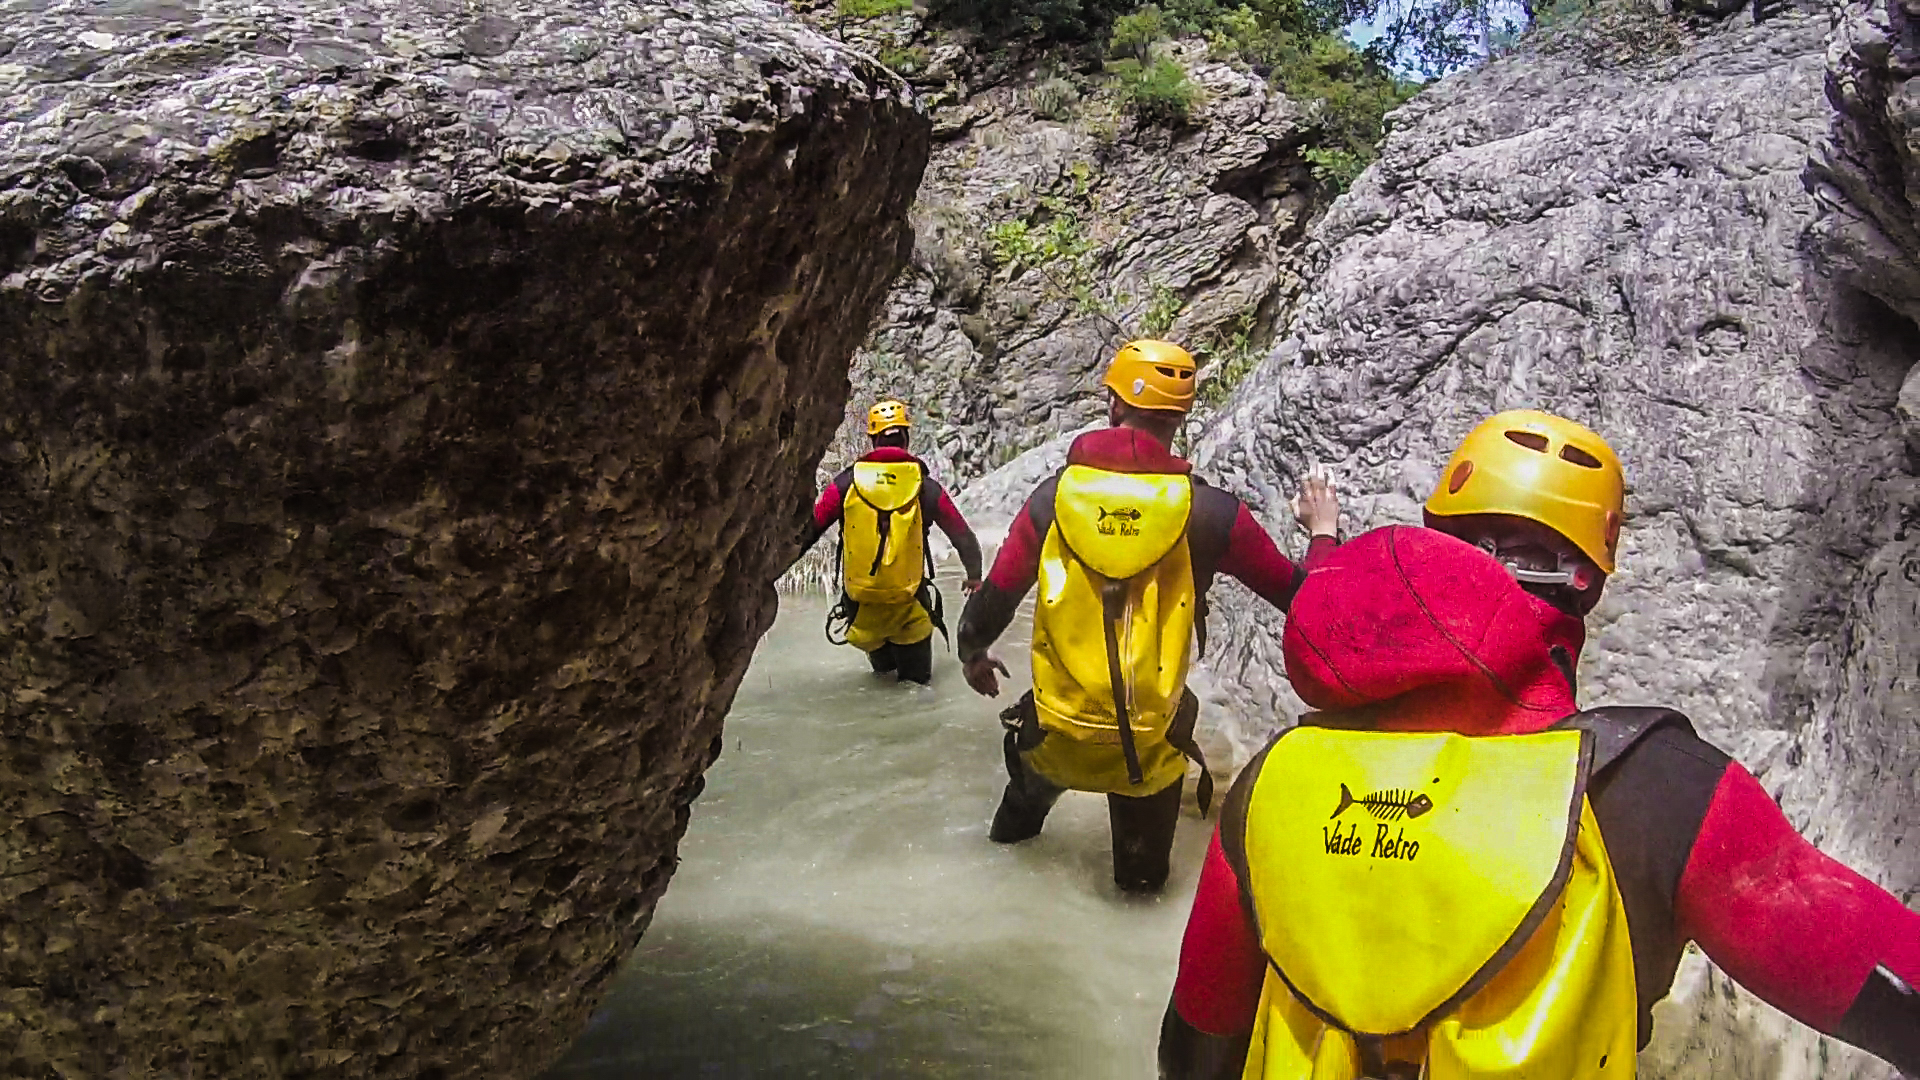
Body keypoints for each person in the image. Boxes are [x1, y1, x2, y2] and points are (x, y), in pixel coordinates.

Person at [1158, 413, 1920, 1079]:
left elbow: (1195, 1046)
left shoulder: (1272, 784)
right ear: (1586, 584)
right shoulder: (1663, 794)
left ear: (1433, 553)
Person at [956, 340, 1341, 895]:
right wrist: (1322, 532)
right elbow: (1311, 606)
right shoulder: (1211, 514)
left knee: (1012, 837)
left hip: (1055, 734)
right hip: (1147, 749)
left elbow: (984, 613)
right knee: (1139, 894)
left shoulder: (1051, 500)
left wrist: (974, 659)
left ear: (1114, 406)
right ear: (1181, 414)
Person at [797, 399, 983, 686]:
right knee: (915, 689)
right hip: (909, 605)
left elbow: (810, 529)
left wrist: (770, 571)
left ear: (873, 439)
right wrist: (974, 576)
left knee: (881, 683)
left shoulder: (847, 483)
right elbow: (963, 536)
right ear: (906, 437)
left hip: (862, 609)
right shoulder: (925, 487)